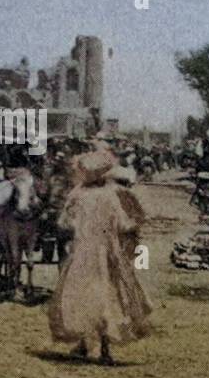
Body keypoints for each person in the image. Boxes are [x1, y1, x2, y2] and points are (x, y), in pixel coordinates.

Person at [47, 149, 153, 365]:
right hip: (108, 253)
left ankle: (85, 344)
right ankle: (104, 347)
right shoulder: (110, 197)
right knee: (109, 294)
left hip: (83, 252)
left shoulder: (77, 195)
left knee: (83, 296)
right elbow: (124, 225)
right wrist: (135, 225)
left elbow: (63, 223)